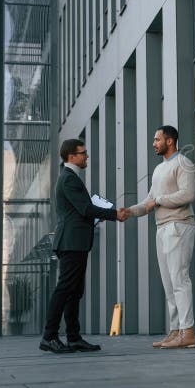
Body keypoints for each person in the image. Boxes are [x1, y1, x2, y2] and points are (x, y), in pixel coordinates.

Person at [39, 139, 129, 353]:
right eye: (83, 153)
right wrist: (113, 213)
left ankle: (73, 337)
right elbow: (86, 209)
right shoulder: (69, 179)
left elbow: (82, 210)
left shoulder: (69, 177)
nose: (86, 156)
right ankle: (49, 336)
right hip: (71, 243)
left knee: (74, 291)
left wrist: (101, 215)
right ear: (72, 156)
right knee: (64, 289)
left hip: (75, 242)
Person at [128, 125, 195, 349]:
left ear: (170, 141)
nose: (154, 143)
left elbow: (188, 194)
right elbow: (149, 200)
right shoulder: (159, 170)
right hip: (162, 228)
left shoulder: (183, 163)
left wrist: (158, 200)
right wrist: (128, 212)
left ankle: (188, 333)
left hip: (179, 225)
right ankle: (176, 331)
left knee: (180, 280)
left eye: (157, 139)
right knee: (169, 284)